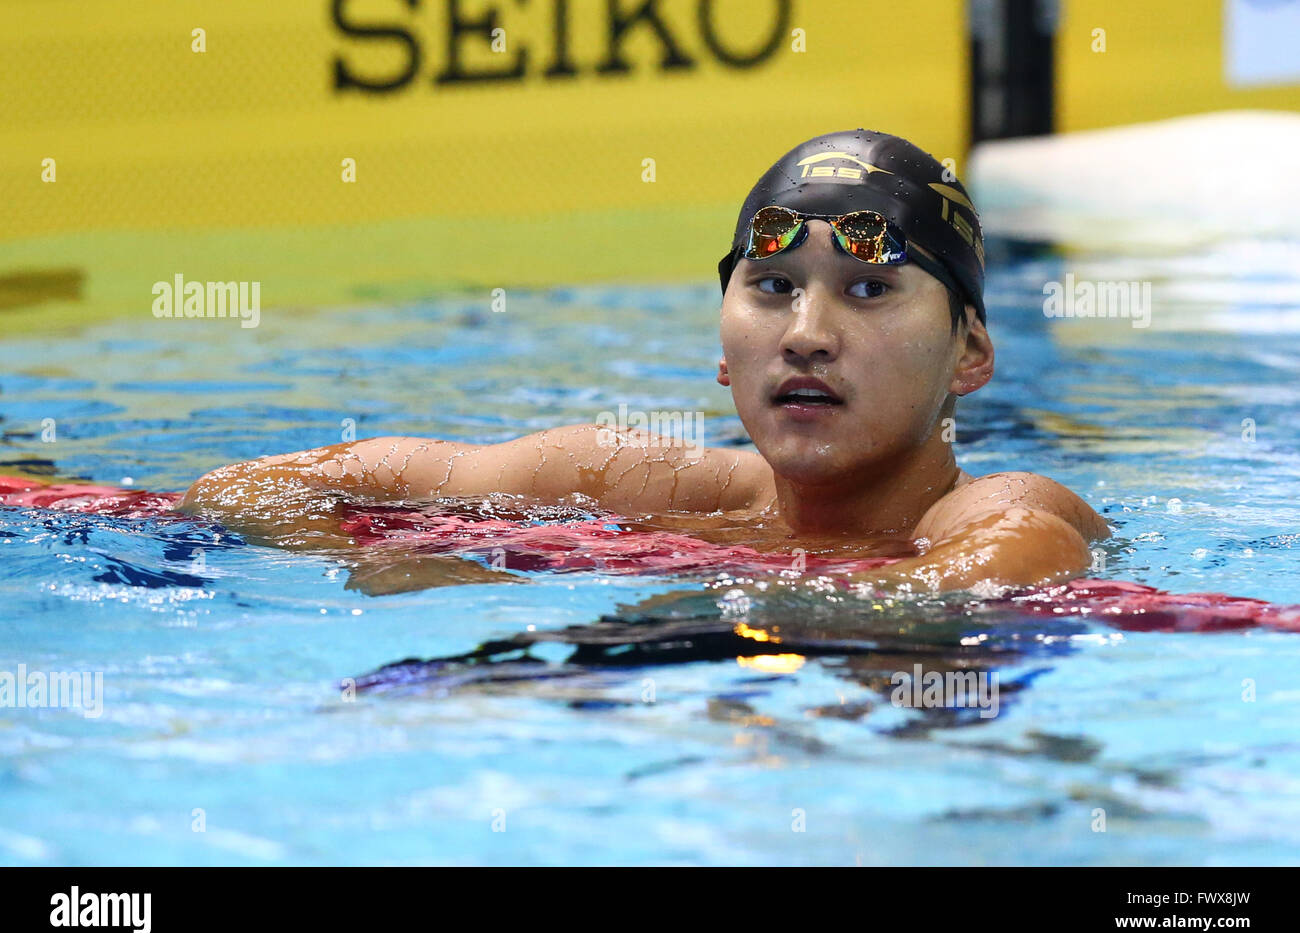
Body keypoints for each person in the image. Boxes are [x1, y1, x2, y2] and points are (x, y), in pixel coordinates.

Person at [179, 128, 1109, 595]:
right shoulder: (628, 482)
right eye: (774, 287)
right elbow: (242, 490)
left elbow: (1016, 562)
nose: (806, 333)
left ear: (972, 353)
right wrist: (437, 577)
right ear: (723, 343)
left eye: (869, 290)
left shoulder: (996, 507)